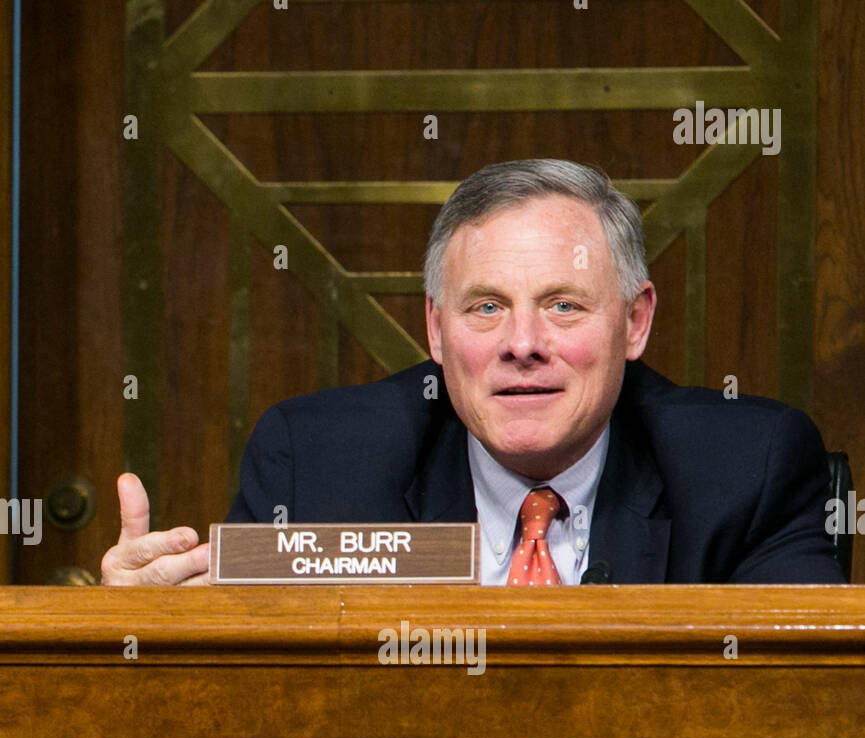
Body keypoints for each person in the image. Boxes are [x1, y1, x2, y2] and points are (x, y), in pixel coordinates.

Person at [101, 159, 844, 587]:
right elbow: (246, 706)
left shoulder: (747, 470)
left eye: (562, 305)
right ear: (434, 327)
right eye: (485, 307)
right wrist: (142, 640)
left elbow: (799, 703)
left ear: (635, 321)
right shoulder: (317, 465)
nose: (522, 343)